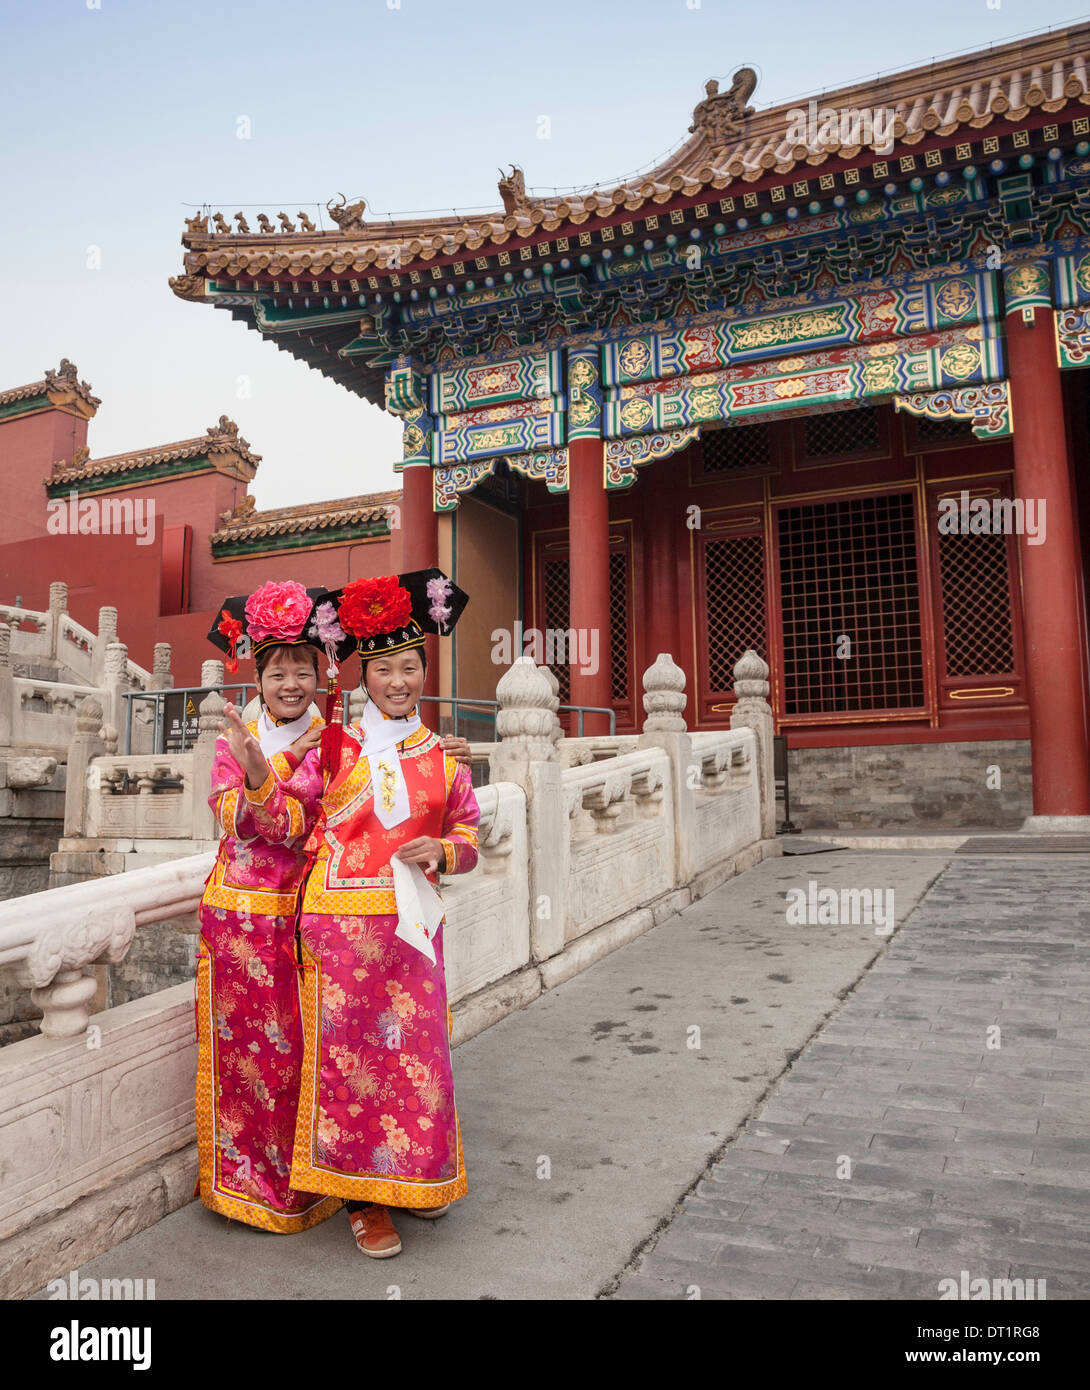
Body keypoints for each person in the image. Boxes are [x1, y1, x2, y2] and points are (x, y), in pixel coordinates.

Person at [195, 578, 472, 1234]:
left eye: (302, 670)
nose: (290, 683)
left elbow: (302, 823)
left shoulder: (333, 743)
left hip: (317, 920)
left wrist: (437, 760)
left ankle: (350, 1181)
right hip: (242, 920)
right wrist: (253, 770)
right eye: (277, 671)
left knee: (330, 1060)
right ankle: (255, 1186)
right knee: (254, 1065)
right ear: (259, 678)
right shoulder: (247, 741)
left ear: (324, 674)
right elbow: (249, 817)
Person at [288, 569, 480, 1258]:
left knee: (416, 1059)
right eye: (384, 670)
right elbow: (285, 809)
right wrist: (257, 770)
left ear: (425, 671)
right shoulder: (334, 748)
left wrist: (446, 853)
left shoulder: (445, 760)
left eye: (410, 667)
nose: (398, 680)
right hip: (339, 931)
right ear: (363, 678)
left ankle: (413, 1175)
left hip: (412, 932)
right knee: (350, 1063)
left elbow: (470, 837)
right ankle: (361, 1200)